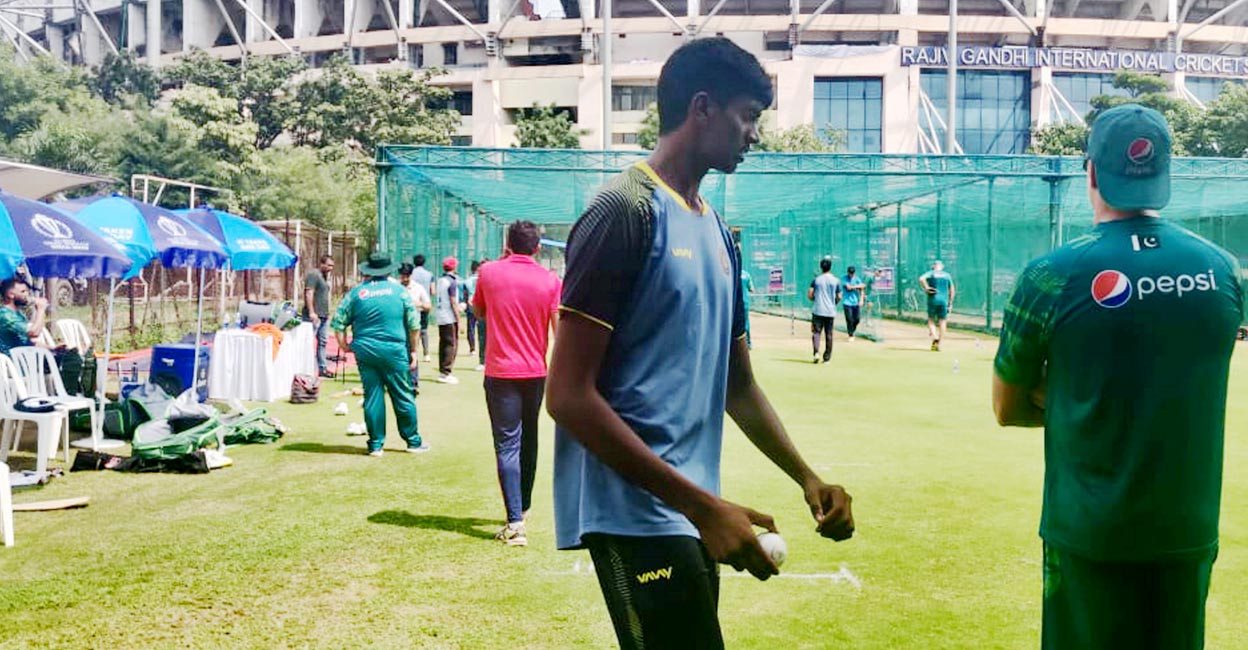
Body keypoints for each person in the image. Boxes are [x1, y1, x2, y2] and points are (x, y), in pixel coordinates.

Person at [546, 38, 854, 649]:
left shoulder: (716, 229)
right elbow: (567, 396)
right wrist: (701, 507)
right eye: (749, 116)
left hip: (687, 509)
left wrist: (807, 478)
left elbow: (736, 384)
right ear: (704, 108)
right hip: (633, 512)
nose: (754, 135)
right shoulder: (623, 212)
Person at [993, 104, 1243, 650]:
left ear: (1089, 171)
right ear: (1165, 174)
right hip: (1187, 531)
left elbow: (1007, 409)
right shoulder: (1223, 270)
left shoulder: (1051, 276)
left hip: (1088, 532)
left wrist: (1075, 399)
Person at [472, 222, 561, 547]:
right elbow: (558, 330)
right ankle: (522, 508)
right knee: (530, 439)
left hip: (500, 372)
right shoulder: (550, 280)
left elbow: (479, 311)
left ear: (508, 243)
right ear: (538, 248)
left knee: (508, 444)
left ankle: (515, 522)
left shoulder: (488, 272)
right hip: (536, 373)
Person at [331, 253, 427, 456]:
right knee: (402, 395)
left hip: (365, 350)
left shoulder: (357, 293)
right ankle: (413, 442)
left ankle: (376, 445)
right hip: (394, 350)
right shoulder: (400, 292)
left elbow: (338, 322)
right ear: (389, 270)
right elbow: (414, 325)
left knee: (373, 395)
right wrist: (413, 351)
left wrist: (345, 345)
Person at [398, 263, 432, 395]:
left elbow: (428, 306)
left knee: (412, 352)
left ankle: (413, 383)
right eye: (402, 276)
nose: (404, 279)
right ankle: (399, 382)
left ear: (410, 275)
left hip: (413, 326)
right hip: (397, 325)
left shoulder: (418, 288)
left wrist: (418, 304)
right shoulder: (396, 287)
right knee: (398, 353)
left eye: (407, 276)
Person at [303, 255, 336, 378]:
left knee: (322, 342)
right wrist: (312, 312)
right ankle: (306, 368)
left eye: (332, 266)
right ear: (321, 263)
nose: (330, 268)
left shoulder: (325, 277)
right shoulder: (313, 275)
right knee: (308, 342)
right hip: (313, 316)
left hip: (323, 315)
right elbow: (309, 293)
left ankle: (322, 369)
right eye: (328, 265)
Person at [0, 278, 49, 356]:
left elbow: (26, 341)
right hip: (11, 362)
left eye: (27, 292)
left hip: (23, 358)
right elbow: (33, 333)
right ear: (10, 295)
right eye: (23, 291)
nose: (26, 295)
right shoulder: (5, 315)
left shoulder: (18, 313)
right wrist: (41, 309)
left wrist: (52, 348)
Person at [434, 257, 462, 384]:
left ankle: (442, 370)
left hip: (440, 315)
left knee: (443, 343)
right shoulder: (452, 281)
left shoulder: (440, 280)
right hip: (449, 316)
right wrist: (458, 319)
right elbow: (453, 301)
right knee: (451, 344)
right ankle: (446, 372)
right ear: (454, 267)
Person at [807, 258, 840, 363]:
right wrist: (833, 303)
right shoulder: (835, 280)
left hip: (818, 310)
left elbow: (810, 294)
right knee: (829, 334)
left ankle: (816, 353)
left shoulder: (816, 280)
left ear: (821, 267)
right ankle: (827, 358)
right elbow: (839, 296)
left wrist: (814, 300)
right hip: (830, 311)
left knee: (816, 332)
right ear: (830, 267)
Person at [918, 260, 955, 351]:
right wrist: (950, 303)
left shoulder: (931, 273)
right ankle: (940, 343)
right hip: (944, 301)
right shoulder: (947, 275)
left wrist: (926, 287)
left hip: (933, 299)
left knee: (931, 319)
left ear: (934, 266)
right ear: (941, 267)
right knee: (943, 321)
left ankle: (935, 337)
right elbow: (952, 290)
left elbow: (921, 278)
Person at [410, 254, 434, 363]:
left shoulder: (411, 274)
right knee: (423, 329)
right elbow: (433, 291)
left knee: (411, 329)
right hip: (424, 305)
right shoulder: (429, 274)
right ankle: (426, 353)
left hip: (412, 305)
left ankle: (413, 351)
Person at [463, 260, 483, 370]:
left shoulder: (467, 281)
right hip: (481, 306)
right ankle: (482, 351)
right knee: (481, 331)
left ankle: (472, 349)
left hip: (471, 306)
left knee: (470, 328)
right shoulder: (481, 279)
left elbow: (465, 295)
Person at [842, 266, 865, 341]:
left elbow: (863, 287)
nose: (851, 274)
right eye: (850, 273)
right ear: (848, 272)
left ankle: (852, 330)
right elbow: (848, 287)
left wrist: (861, 300)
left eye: (852, 273)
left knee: (857, 319)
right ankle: (850, 334)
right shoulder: (844, 278)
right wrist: (857, 286)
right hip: (847, 302)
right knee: (849, 319)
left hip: (855, 302)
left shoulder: (857, 279)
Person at [739, 260, 755, 349]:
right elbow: (752, 289)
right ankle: (748, 344)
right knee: (746, 323)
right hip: (744, 302)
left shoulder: (731, 273)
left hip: (734, 303)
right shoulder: (746, 275)